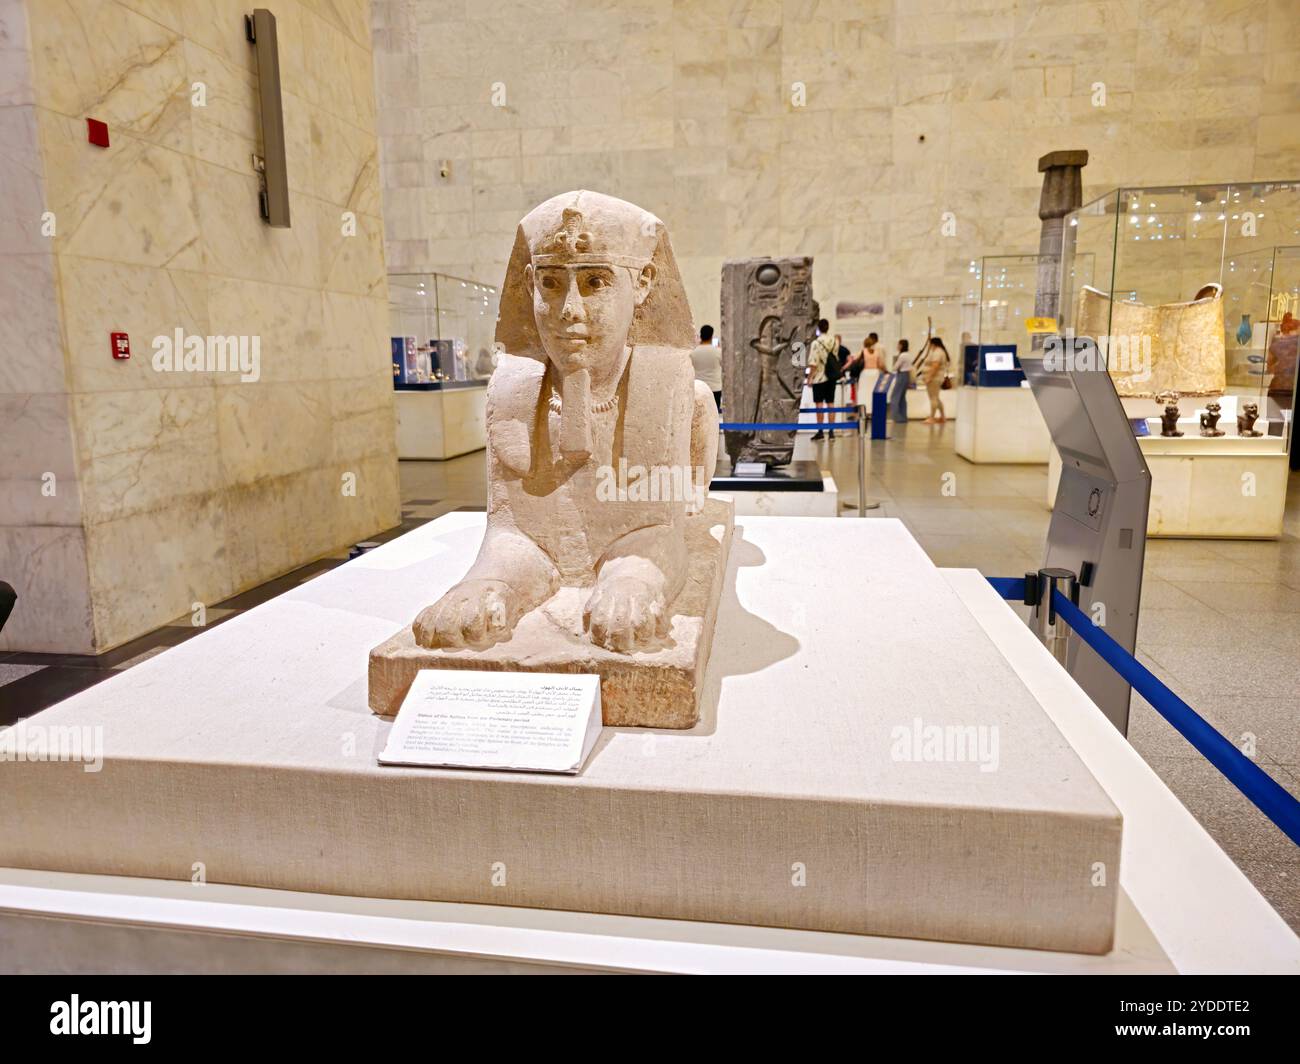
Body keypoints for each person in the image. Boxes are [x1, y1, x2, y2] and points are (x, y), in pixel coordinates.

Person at [806, 319, 839, 440]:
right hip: (831, 376)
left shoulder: (816, 343)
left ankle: (820, 431)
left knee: (819, 404)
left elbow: (813, 362)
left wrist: (810, 378)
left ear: (818, 328)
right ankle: (831, 432)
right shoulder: (834, 341)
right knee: (831, 403)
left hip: (819, 378)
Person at [917, 336, 951, 424]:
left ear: (933, 344)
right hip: (935, 378)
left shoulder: (938, 352)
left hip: (934, 378)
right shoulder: (937, 352)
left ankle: (932, 417)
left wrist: (929, 377)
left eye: (930, 344)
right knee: (936, 398)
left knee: (933, 398)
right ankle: (942, 417)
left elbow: (935, 367)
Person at [690, 324, 723, 412]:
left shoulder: (693, 352)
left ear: (701, 335)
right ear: (712, 336)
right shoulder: (718, 352)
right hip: (715, 388)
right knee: (714, 415)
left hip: (698, 388)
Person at [889, 338, 913, 424]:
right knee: (902, 398)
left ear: (901, 345)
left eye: (898, 344)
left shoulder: (902, 355)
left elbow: (895, 367)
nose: (897, 346)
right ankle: (903, 417)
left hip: (901, 375)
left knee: (894, 397)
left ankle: (896, 417)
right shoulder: (909, 355)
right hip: (906, 376)